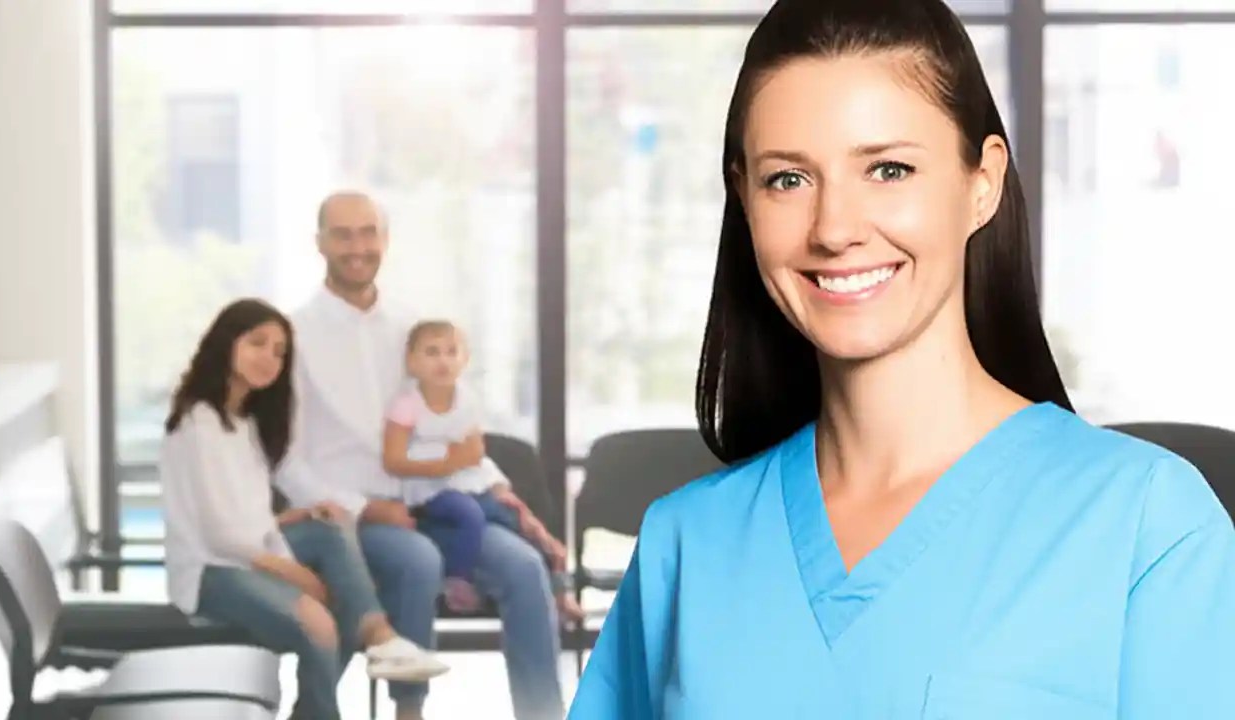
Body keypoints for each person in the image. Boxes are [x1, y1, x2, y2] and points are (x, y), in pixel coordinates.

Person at [568, 0, 1235, 718]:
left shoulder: (1148, 524)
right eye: (788, 179)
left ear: (982, 182)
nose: (835, 229)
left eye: (887, 169)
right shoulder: (686, 542)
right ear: (744, 198)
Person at [275, 192, 565, 720]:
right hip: (354, 518)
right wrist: (363, 508)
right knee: (417, 560)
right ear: (319, 244)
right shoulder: (293, 336)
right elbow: (286, 462)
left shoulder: (417, 332)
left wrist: (499, 487)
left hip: (437, 503)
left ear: (385, 240)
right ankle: (411, 710)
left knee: (524, 568)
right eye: (342, 234)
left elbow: (454, 429)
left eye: (368, 233)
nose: (357, 247)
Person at [160, 299, 449, 720]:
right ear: (227, 343)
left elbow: (240, 515)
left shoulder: (243, 421)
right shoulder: (199, 422)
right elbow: (219, 536)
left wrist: (290, 520)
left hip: (244, 552)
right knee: (322, 621)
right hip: (209, 572)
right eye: (257, 343)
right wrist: (295, 573)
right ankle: (373, 648)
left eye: (279, 352)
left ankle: (378, 637)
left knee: (331, 524)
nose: (269, 358)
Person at [383, 319, 585, 621]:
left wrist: (463, 462)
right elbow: (394, 460)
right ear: (412, 362)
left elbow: (475, 452)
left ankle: (560, 590)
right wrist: (449, 462)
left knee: (525, 524)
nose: (443, 360)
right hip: (429, 489)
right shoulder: (407, 405)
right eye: (432, 352)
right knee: (470, 515)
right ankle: (457, 580)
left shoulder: (466, 399)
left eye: (452, 352)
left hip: (470, 481)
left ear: (464, 360)